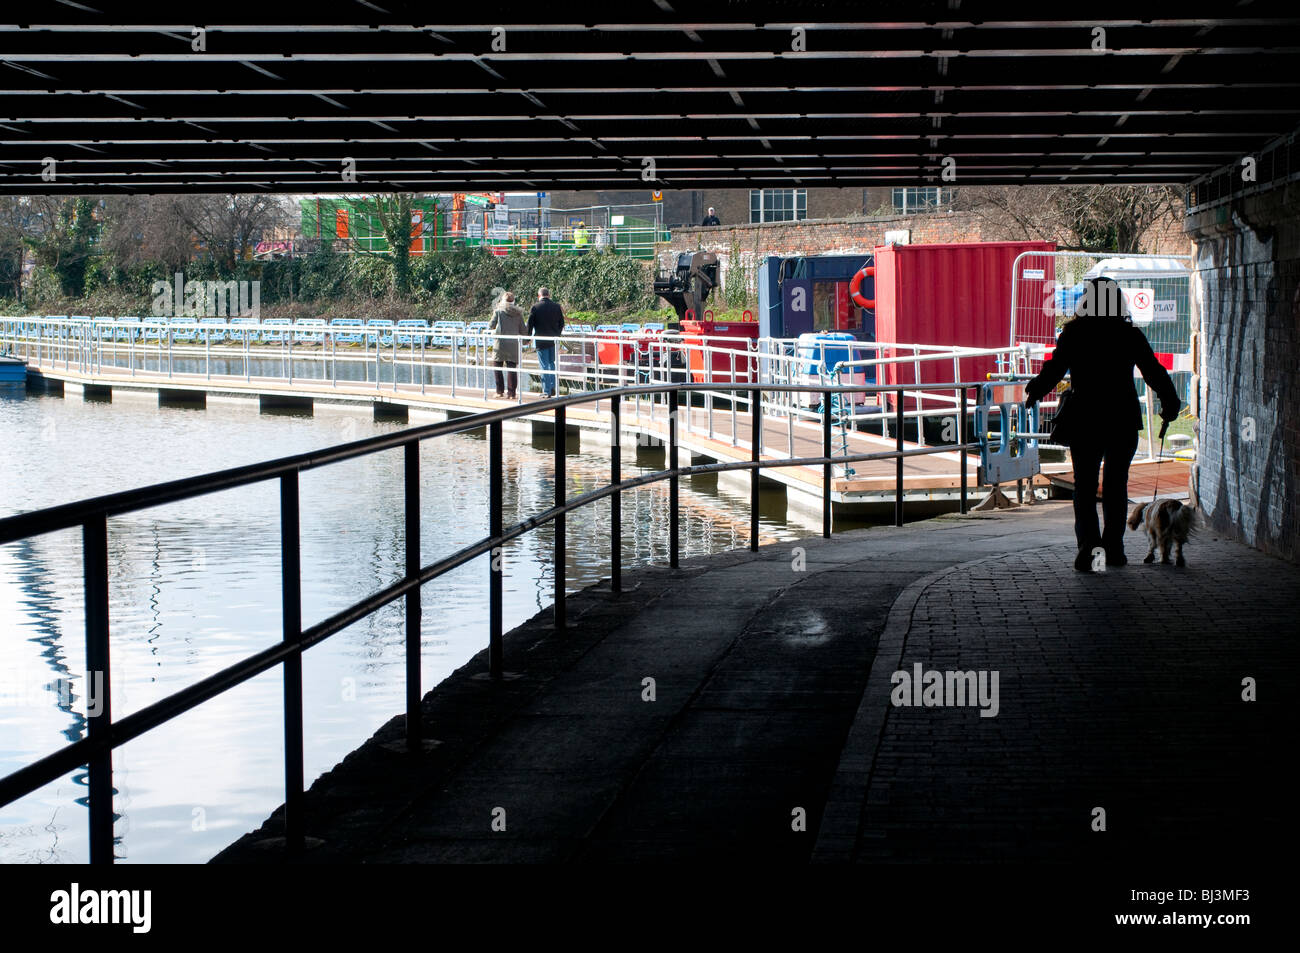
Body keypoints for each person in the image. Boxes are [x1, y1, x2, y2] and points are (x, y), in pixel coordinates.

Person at [1024, 277, 1181, 572]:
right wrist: (1170, 403)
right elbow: (1153, 371)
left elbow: (1055, 369)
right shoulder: (1128, 334)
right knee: (1115, 486)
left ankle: (1088, 550)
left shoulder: (1074, 333)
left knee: (1084, 487)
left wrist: (1035, 391)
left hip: (1085, 418)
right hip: (1121, 417)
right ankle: (1114, 549)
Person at [527, 286, 565, 398]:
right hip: (553, 340)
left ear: (539, 296)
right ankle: (552, 387)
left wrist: (527, 338)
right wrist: (556, 334)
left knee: (543, 365)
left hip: (541, 341)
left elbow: (530, 325)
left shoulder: (535, 307)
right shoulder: (556, 307)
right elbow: (561, 323)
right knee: (551, 363)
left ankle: (546, 390)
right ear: (548, 295)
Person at [487, 291, 526, 399]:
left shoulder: (498, 311)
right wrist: (527, 341)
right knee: (512, 368)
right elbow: (523, 330)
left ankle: (499, 391)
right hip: (513, 344)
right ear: (513, 301)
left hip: (500, 343)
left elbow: (491, 325)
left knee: (497, 367)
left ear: (503, 300)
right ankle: (512, 393)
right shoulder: (518, 313)